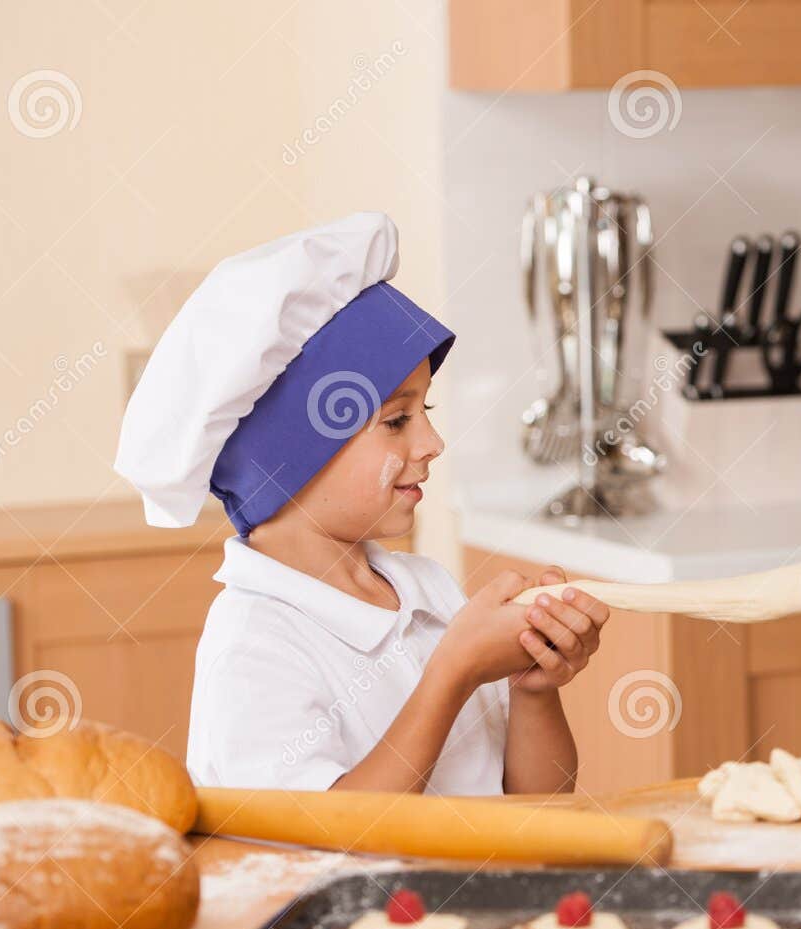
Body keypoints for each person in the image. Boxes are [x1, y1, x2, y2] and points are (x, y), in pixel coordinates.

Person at [116, 212, 606, 795]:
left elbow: (540, 802)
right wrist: (452, 674)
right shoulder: (255, 643)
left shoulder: (427, 590)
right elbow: (333, 840)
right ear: (292, 457)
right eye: (396, 421)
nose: (431, 444)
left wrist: (532, 687)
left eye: (425, 413)